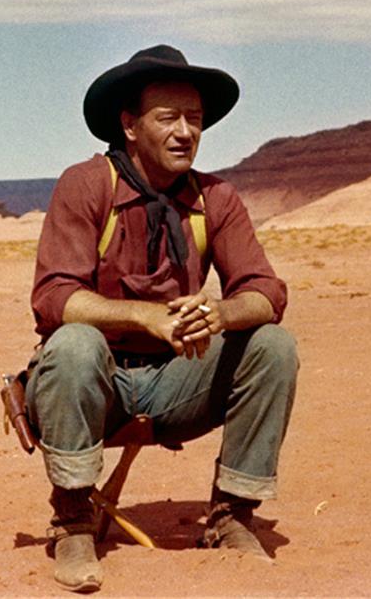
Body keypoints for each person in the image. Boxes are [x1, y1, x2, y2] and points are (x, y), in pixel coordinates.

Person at [25, 44, 298, 593]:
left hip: (178, 382)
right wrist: (145, 317)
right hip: (94, 389)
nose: (185, 133)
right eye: (168, 118)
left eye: (194, 120)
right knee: (74, 342)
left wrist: (220, 313)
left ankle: (231, 517)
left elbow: (267, 292)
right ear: (130, 125)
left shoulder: (215, 198)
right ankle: (74, 519)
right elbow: (53, 296)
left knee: (272, 344)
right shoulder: (87, 184)